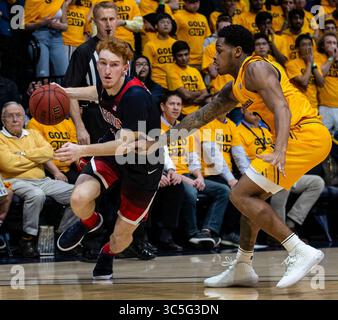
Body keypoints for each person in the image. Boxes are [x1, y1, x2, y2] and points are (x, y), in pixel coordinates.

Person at [136, 25, 331, 288]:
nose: (213, 56)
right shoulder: (236, 87)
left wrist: (281, 148)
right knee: (250, 200)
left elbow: (281, 107)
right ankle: (243, 266)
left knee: (238, 194)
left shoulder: (256, 68)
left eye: (219, 50)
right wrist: (159, 142)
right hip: (302, 138)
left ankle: (299, 250)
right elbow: (199, 117)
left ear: (237, 51)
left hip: (303, 133)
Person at [55, 38, 163, 280]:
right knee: (78, 198)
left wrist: (81, 151)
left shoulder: (135, 95)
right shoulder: (107, 82)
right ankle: (90, 222)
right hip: (114, 150)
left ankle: (107, 253)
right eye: (102, 63)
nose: (106, 70)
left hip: (142, 166)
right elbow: (94, 92)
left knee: (120, 238)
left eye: (114, 65)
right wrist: (58, 92)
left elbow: (125, 147)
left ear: (125, 67)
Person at [0, 101, 77, 257]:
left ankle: (62, 235)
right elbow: (9, 165)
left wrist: (21, 155)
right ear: (3, 120)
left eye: (18, 115)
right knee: (36, 195)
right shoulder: (1, 138)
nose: (15, 119)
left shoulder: (33, 134)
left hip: (42, 180)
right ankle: (27, 239)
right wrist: (36, 156)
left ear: (24, 118)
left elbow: (48, 152)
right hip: (13, 181)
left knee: (78, 194)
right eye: (10, 116)